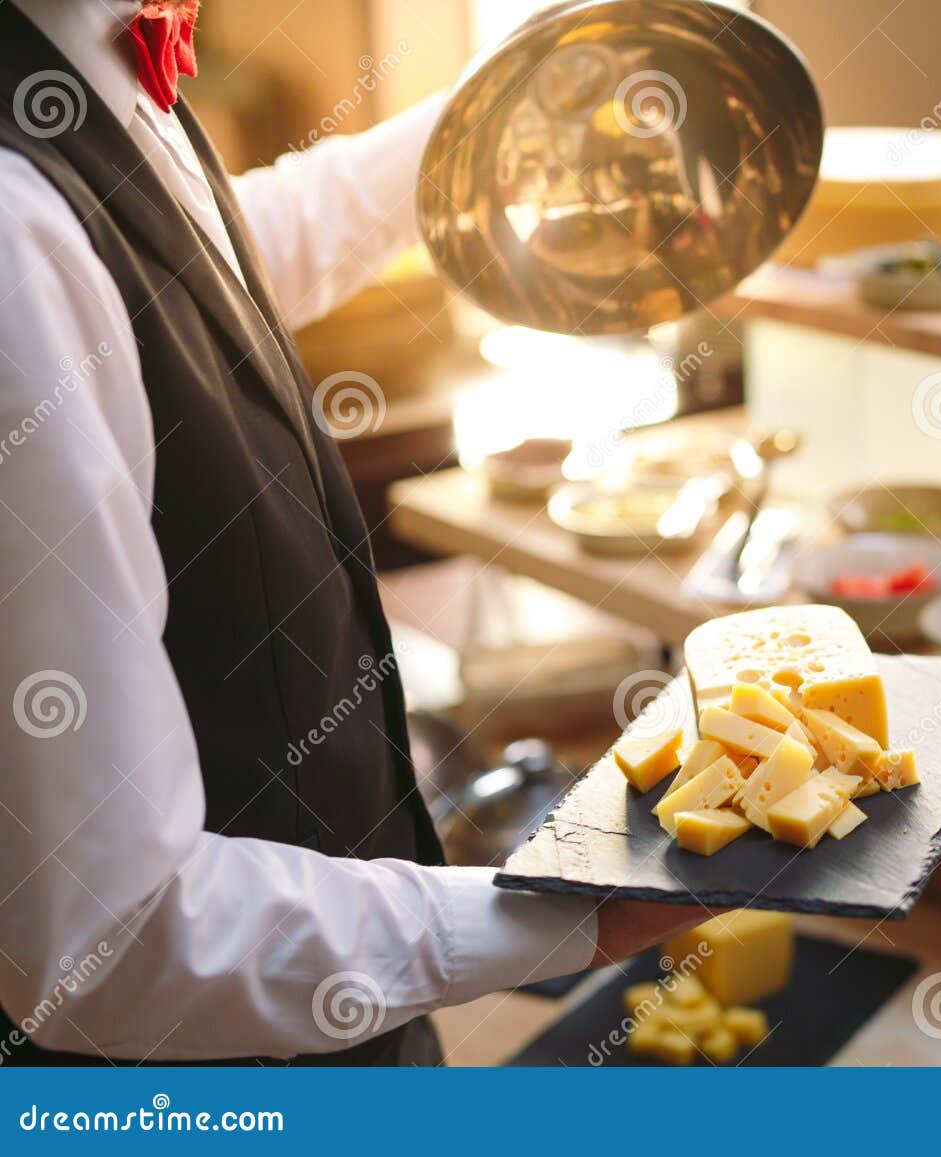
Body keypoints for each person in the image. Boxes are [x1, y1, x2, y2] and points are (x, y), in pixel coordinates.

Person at [0, 0, 706, 1065]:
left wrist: (493, 109)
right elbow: (116, 941)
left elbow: (213, 267)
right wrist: (571, 915)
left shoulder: (76, 61)